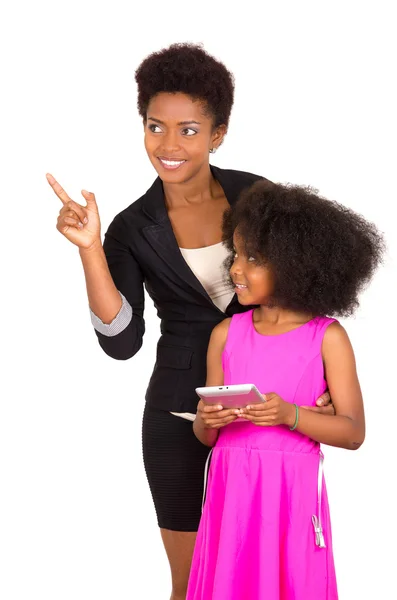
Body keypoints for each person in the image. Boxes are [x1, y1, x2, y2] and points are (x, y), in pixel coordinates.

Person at [47, 43, 333, 600]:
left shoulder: (258, 196)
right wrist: (90, 251)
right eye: (156, 127)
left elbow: (305, 296)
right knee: (192, 581)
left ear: (217, 134)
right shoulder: (133, 227)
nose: (169, 145)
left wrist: (317, 387)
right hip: (180, 413)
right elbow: (122, 340)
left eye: (188, 129)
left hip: (265, 412)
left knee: (267, 571)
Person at [189, 180, 384, 600]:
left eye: (253, 259)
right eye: (236, 254)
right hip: (232, 493)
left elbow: (352, 432)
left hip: (289, 495)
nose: (236, 268)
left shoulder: (327, 337)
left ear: (296, 264)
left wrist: (290, 414)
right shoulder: (226, 334)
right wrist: (207, 420)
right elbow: (207, 436)